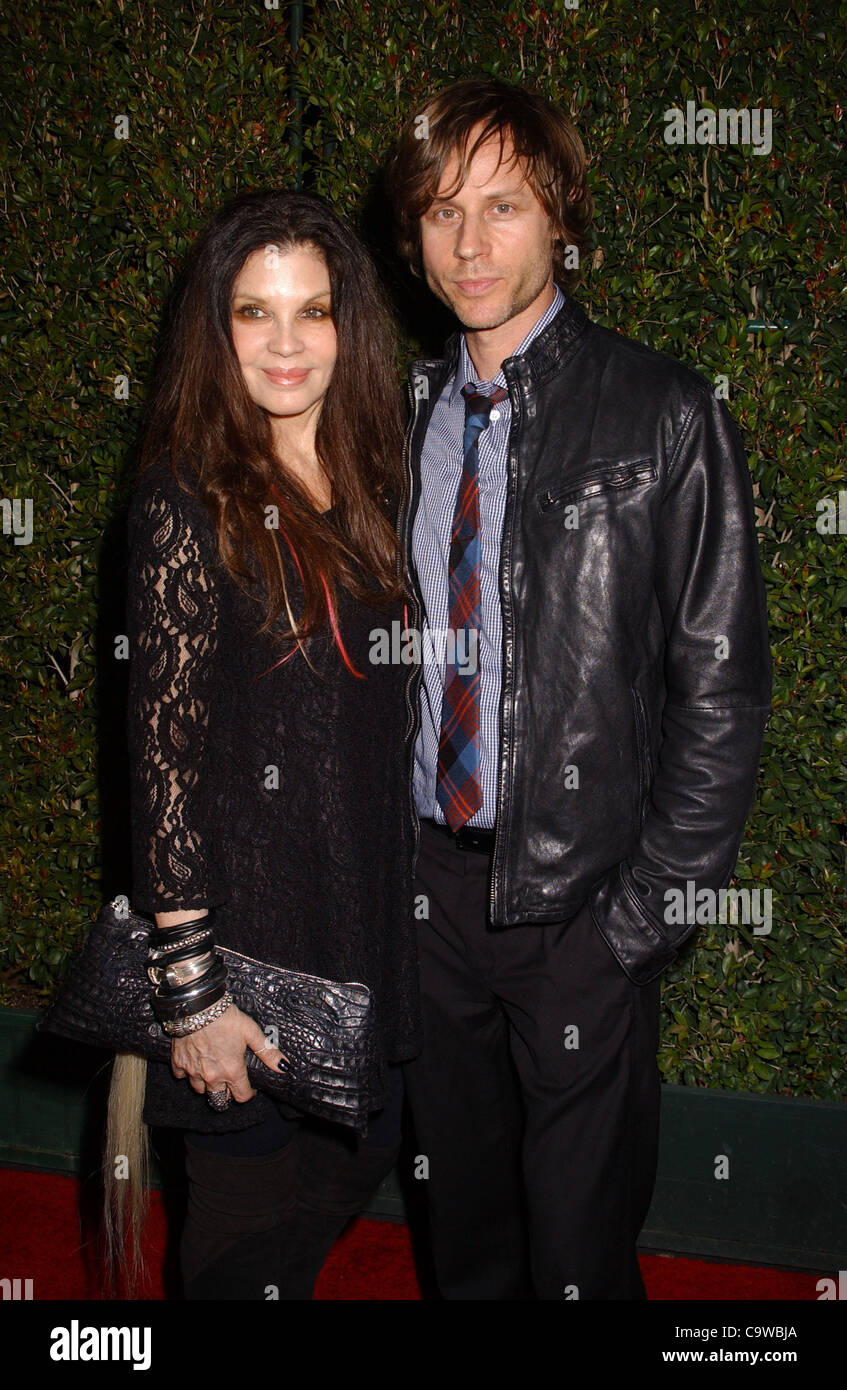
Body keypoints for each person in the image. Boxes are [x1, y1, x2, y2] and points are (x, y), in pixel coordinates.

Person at [386, 79, 772, 1300]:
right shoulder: (392, 416)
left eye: (502, 206)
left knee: (577, 1253)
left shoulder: (663, 411)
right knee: (465, 1241)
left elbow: (722, 692)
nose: (469, 243)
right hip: (425, 897)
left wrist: (635, 923)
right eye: (443, 211)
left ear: (560, 217)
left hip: (580, 908)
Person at [108, 190, 421, 1300]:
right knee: (243, 1246)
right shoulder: (182, 506)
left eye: (313, 310)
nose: (287, 343)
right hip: (244, 959)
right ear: (215, 328)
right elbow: (164, 766)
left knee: (365, 1157)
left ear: (351, 327)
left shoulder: (376, 483)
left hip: (361, 938)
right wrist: (193, 995)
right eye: (254, 312)